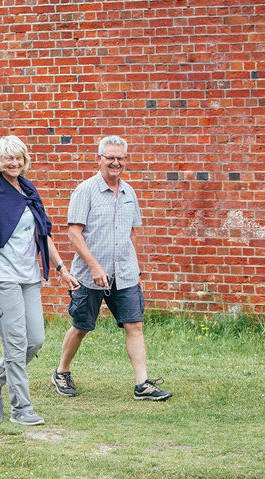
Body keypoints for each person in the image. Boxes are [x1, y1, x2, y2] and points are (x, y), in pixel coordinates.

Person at [50, 135, 172, 401]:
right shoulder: (85, 191)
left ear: (125, 161)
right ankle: (62, 372)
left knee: (135, 325)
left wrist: (136, 270)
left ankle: (143, 384)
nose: (116, 162)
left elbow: (133, 234)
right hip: (90, 276)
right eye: (110, 157)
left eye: (120, 158)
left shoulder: (129, 192)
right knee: (82, 326)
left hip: (125, 274)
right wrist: (94, 266)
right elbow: (74, 234)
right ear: (100, 159)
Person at [0, 135, 80, 426]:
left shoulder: (28, 190)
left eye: (18, 157)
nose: (14, 162)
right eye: (8, 158)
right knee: (16, 346)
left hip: (30, 277)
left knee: (35, 340)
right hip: (3, 278)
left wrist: (62, 270)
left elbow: (43, 235)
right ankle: (21, 408)